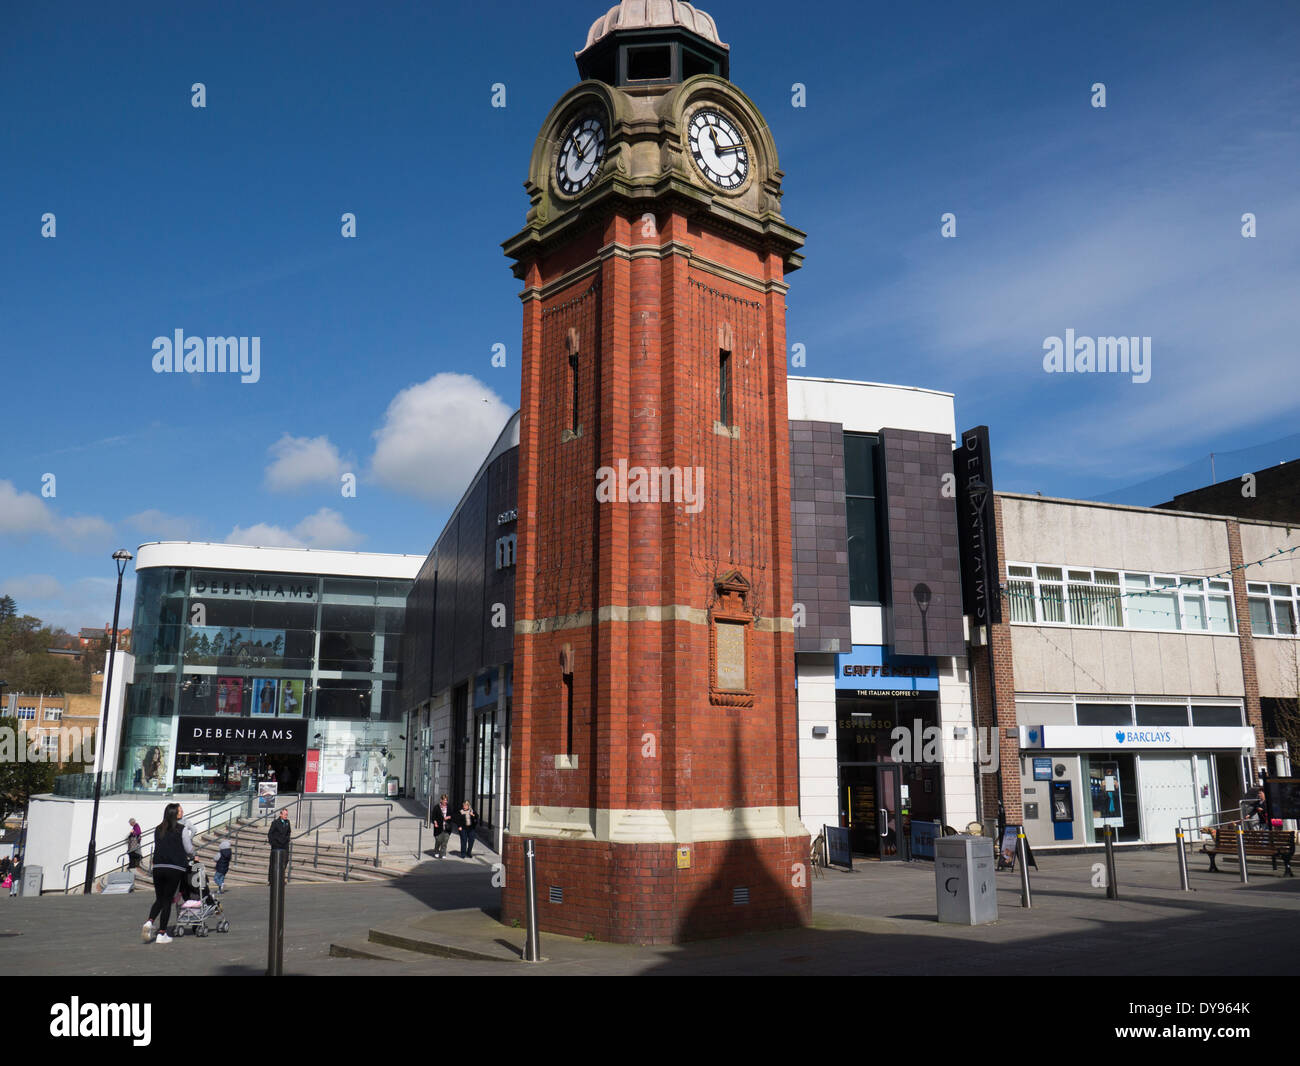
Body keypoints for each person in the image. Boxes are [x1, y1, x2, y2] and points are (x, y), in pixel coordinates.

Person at [142, 803, 194, 944]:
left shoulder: (158, 829)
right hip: (174, 867)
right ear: (175, 814)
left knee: (159, 898)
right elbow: (188, 849)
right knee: (167, 901)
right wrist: (193, 856)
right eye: (180, 810)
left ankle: (149, 922)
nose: (182, 812)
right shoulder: (181, 829)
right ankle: (162, 933)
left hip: (158, 867)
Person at [267, 808, 291, 882]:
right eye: (285, 814)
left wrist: (287, 839)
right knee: (274, 863)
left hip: (284, 846)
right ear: (281, 814)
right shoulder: (275, 822)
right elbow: (270, 834)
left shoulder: (287, 822)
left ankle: (280, 878)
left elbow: (288, 832)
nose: (286, 816)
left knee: (285, 861)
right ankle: (271, 880)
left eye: (287, 814)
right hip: (276, 846)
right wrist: (273, 843)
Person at [431, 794, 453, 859]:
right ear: (441, 800)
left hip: (447, 827)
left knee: (445, 841)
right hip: (438, 827)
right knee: (438, 841)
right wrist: (435, 822)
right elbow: (433, 817)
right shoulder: (436, 807)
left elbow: (453, 815)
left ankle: (443, 853)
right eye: (444, 800)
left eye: (446, 800)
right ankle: (436, 851)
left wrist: (449, 817)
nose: (446, 801)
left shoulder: (449, 807)